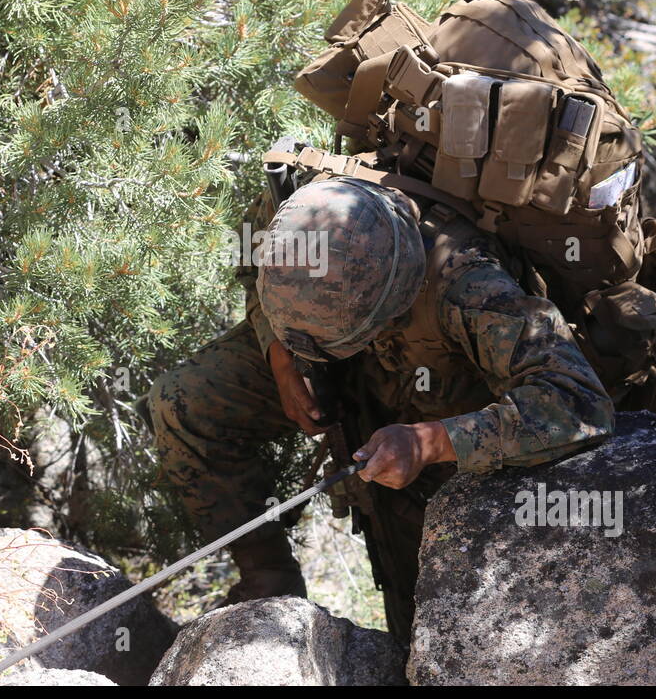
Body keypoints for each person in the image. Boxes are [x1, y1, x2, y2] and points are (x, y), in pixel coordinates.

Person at [148, 174, 614, 641]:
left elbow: (577, 402)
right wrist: (281, 355)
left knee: (422, 635)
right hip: (344, 361)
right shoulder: (302, 210)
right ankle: (266, 582)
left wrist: (430, 443)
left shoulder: (467, 283)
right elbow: (252, 257)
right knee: (184, 401)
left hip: (447, 407)